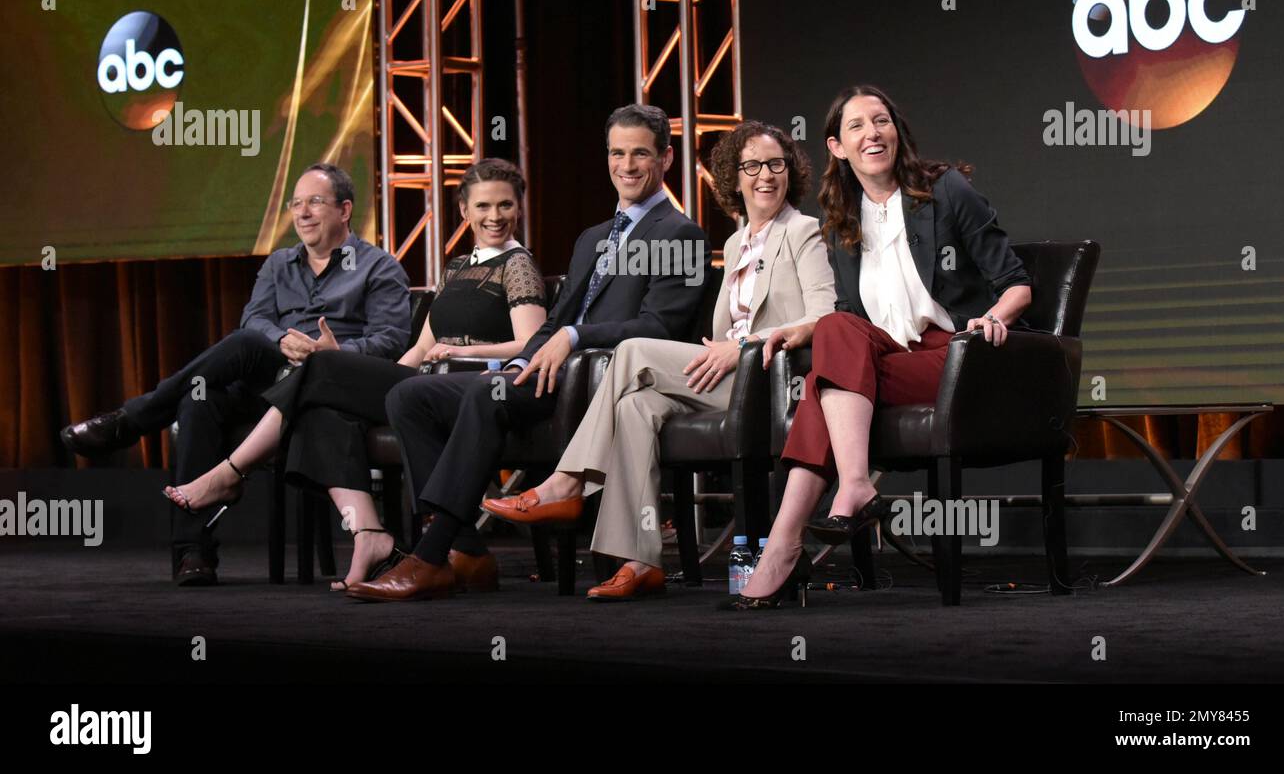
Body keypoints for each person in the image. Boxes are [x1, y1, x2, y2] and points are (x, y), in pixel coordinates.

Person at [343, 103, 710, 602]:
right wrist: (522, 359)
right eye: (617, 152)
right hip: (539, 376)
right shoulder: (593, 238)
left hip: (600, 386)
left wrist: (575, 339)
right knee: (409, 397)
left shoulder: (681, 233)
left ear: (666, 158)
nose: (626, 165)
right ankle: (467, 550)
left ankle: (429, 556)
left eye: (640, 153)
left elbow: (659, 327)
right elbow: (556, 321)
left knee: (483, 397)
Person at [482, 121, 836, 601]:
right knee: (635, 407)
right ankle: (641, 561)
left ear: (790, 172)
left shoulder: (803, 231)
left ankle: (567, 482)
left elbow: (824, 317)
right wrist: (726, 348)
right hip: (724, 374)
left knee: (629, 352)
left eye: (775, 164)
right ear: (734, 177)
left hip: (771, 376)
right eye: (751, 165)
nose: (764, 176)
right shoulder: (734, 245)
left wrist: (748, 343)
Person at [161, 158, 547, 590]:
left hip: (471, 384)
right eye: (483, 206)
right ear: (464, 210)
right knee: (322, 392)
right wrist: (371, 381)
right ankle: (372, 535)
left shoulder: (518, 264)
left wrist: (460, 349)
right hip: (422, 381)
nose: (494, 217)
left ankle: (230, 472)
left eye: (505, 206)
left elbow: (530, 345)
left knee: (322, 365)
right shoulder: (457, 267)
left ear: (520, 209)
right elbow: (419, 348)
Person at [730, 85, 1033, 609]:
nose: (873, 133)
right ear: (837, 147)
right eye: (857, 126)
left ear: (897, 132)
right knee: (834, 333)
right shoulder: (840, 222)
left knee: (825, 389)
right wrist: (800, 331)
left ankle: (784, 545)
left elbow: (1018, 284)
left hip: (956, 354)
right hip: (886, 355)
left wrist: (992, 317)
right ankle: (851, 488)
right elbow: (846, 319)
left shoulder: (947, 191)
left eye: (882, 121)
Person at [60, 163, 412, 585]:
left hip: (334, 386)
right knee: (207, 389)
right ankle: (194, 553)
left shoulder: (379, 267)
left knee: (221, 374)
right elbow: (255, 318)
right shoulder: (279, 264)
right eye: (296, 203)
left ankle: (134, 422)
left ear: (345, 209)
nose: (302, 213)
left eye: (315, 202)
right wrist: (282, 340)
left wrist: (336, 352)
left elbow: (391, 339)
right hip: (272, 380)